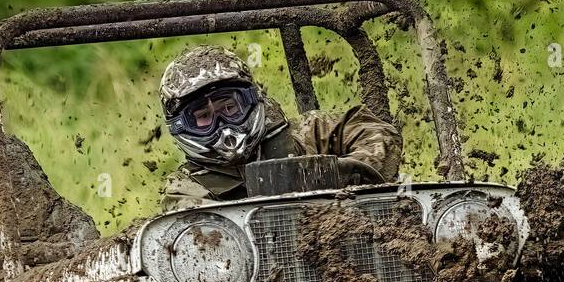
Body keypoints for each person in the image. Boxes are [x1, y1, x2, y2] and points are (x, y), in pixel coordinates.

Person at [159, 45, 402, 209]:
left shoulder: (307, 132)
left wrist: (342, 176)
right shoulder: (185, 188)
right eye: (204, 116)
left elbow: (374, 132)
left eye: (230, 108)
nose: (222, 124)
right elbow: (204, 241)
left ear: (252, 100)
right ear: (183, 126)